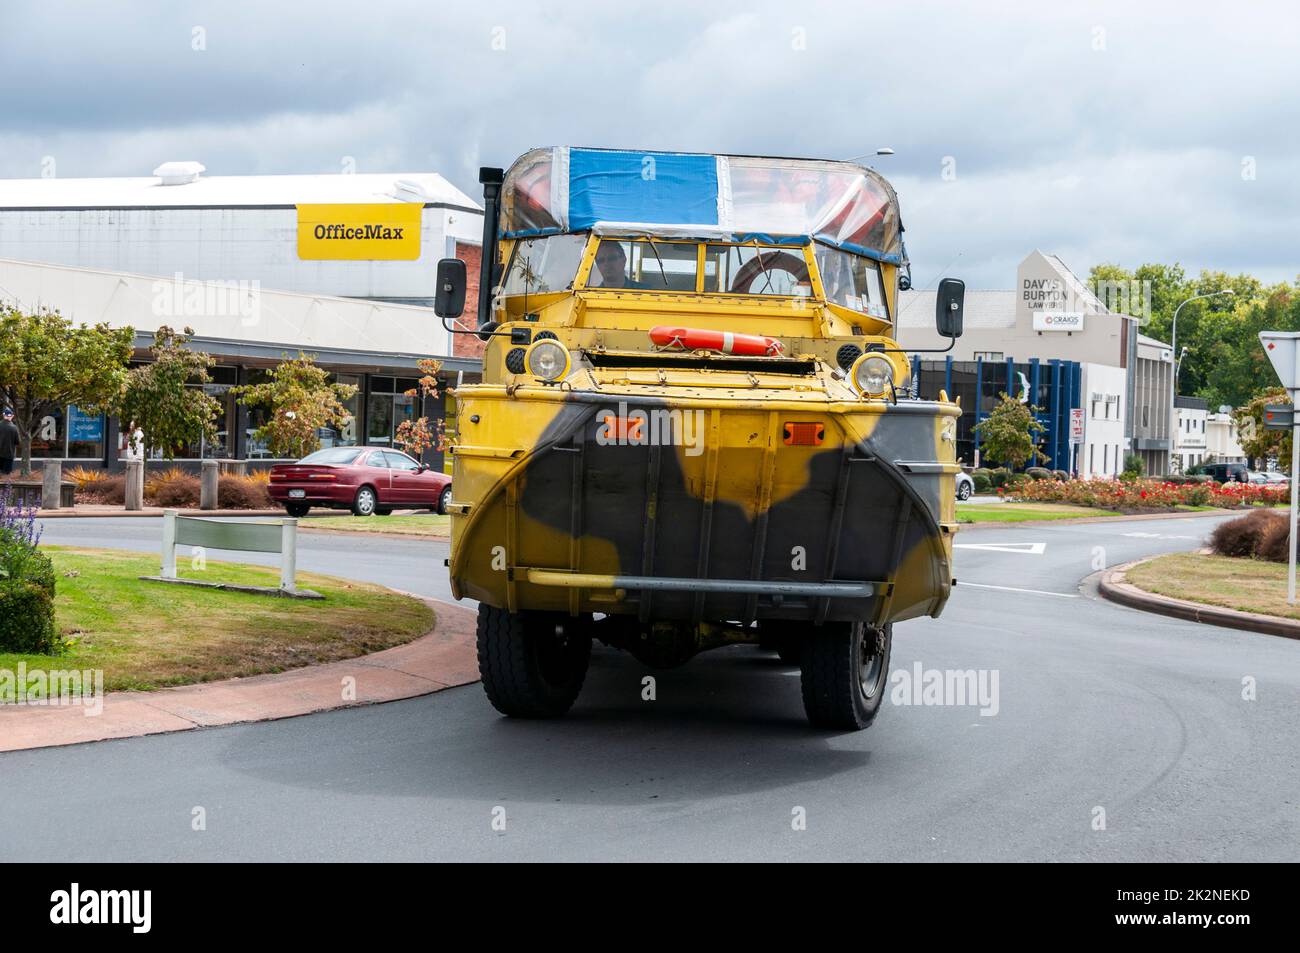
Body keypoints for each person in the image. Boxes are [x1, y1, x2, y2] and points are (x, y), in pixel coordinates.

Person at [0, 408, 19, 476]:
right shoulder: (14, 428)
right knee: (7, 472)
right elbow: (17, 442)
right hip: (9, 454)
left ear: (3, 415)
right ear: (12, 416)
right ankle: (7, 485)